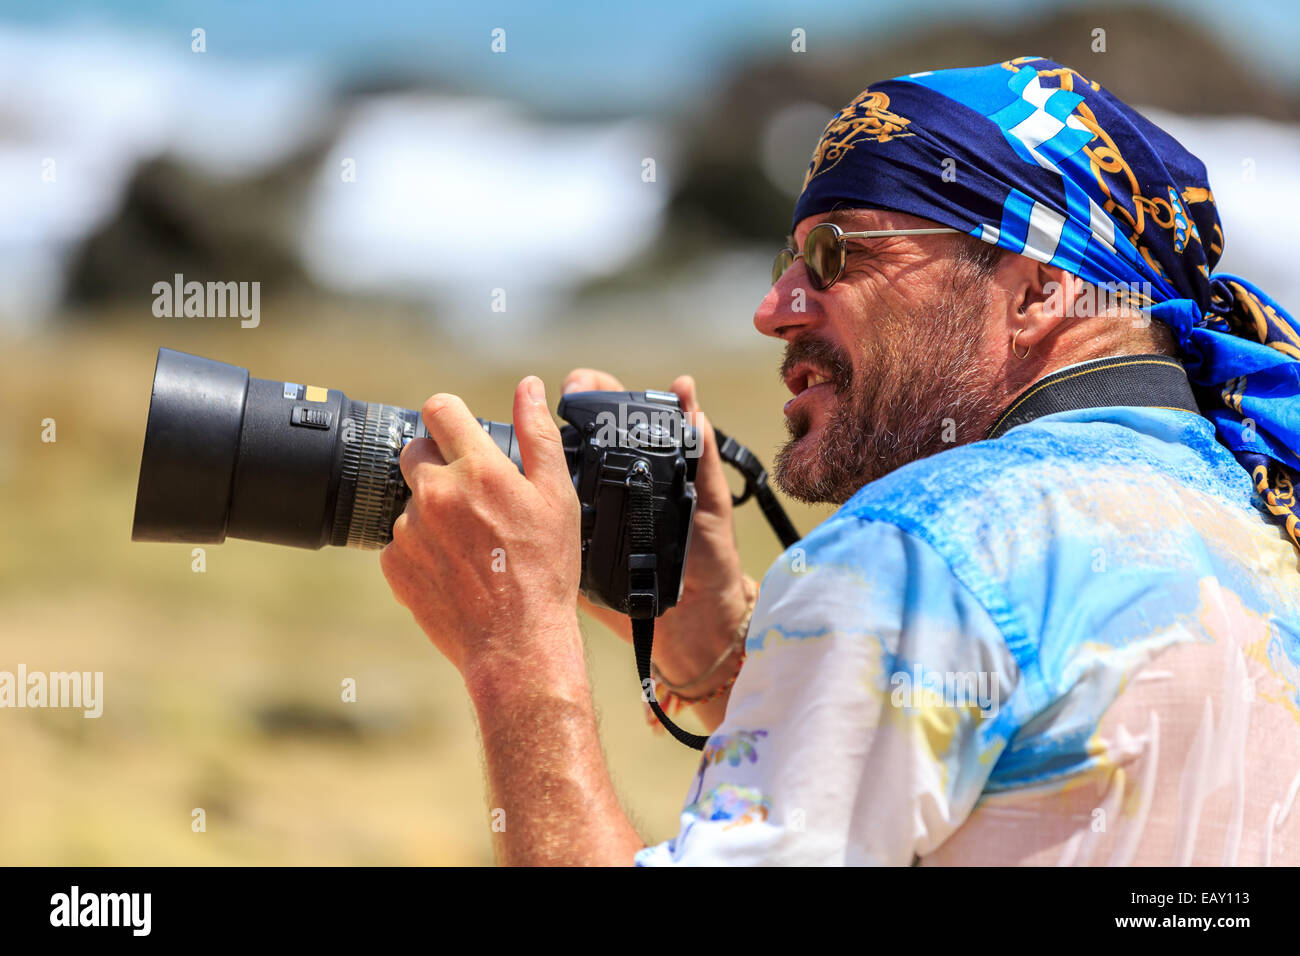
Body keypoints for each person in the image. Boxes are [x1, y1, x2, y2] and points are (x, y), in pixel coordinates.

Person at [379, 56, 1300, 865]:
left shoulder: (916, 551)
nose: (774, 307)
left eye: (833, 253)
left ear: (1036, 291)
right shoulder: (1265, 526)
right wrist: (711, 644)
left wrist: (516, 647)